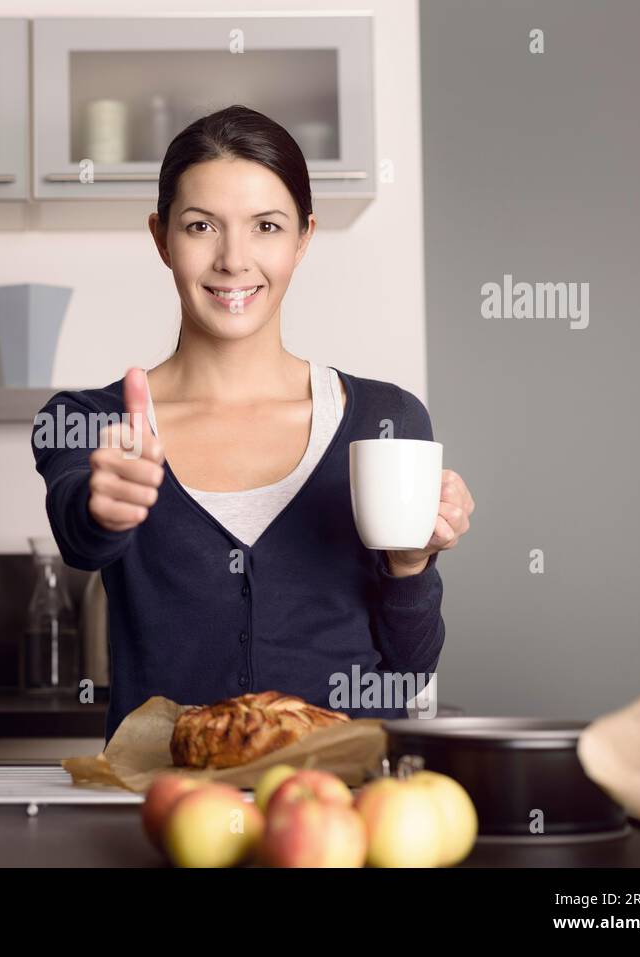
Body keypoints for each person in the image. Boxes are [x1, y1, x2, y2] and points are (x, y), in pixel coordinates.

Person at [30, 105, 475, 744]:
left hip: (340, 812)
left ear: (303, 238)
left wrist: (411, 564)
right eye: (201, 225)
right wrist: (106, 509)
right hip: (170, 809)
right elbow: (81, 537)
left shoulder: (386, 419)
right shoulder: (92, 421)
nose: (233, 260)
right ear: (161, 238)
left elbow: (406, 673)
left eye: (266, 225)